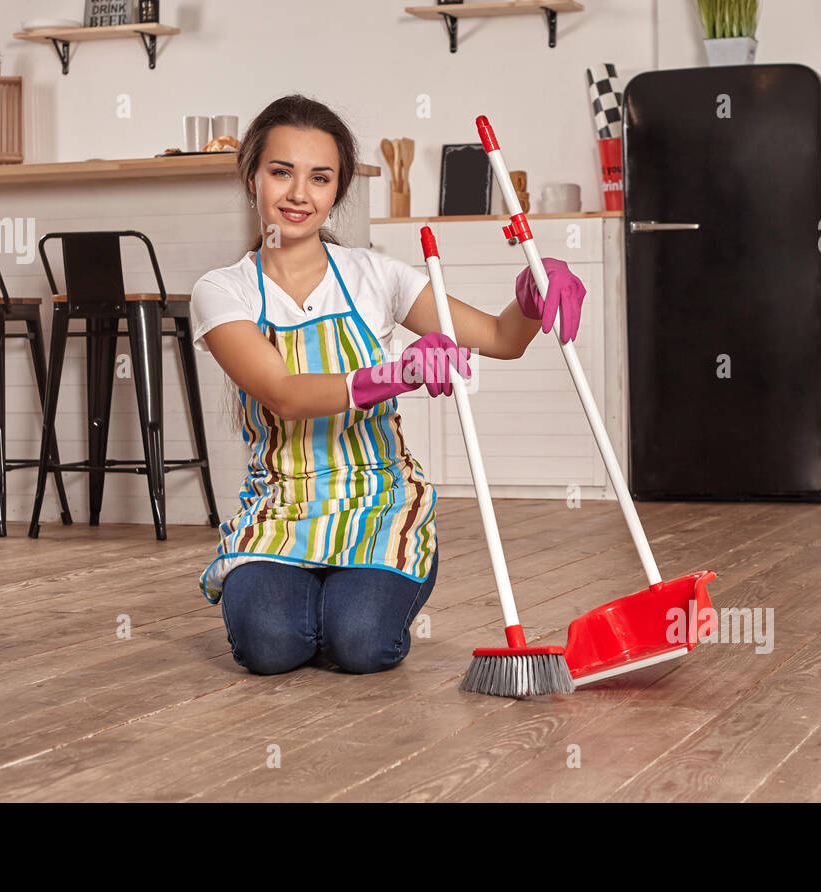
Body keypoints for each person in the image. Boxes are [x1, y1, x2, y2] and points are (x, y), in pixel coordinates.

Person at [190, 93, 587, 677]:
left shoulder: (376, 276)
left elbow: (502, 337)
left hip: (377, 500)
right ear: (252, 176)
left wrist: (532, 295)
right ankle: (315, 589)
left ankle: (375, 581)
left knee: (359, 645)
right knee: (270, 648)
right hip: (282, 504)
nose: (299, 194)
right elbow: (282, 393)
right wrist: (394, 373)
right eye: (282, 172)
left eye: (319, 178)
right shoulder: (224, 290)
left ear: (337, 190)